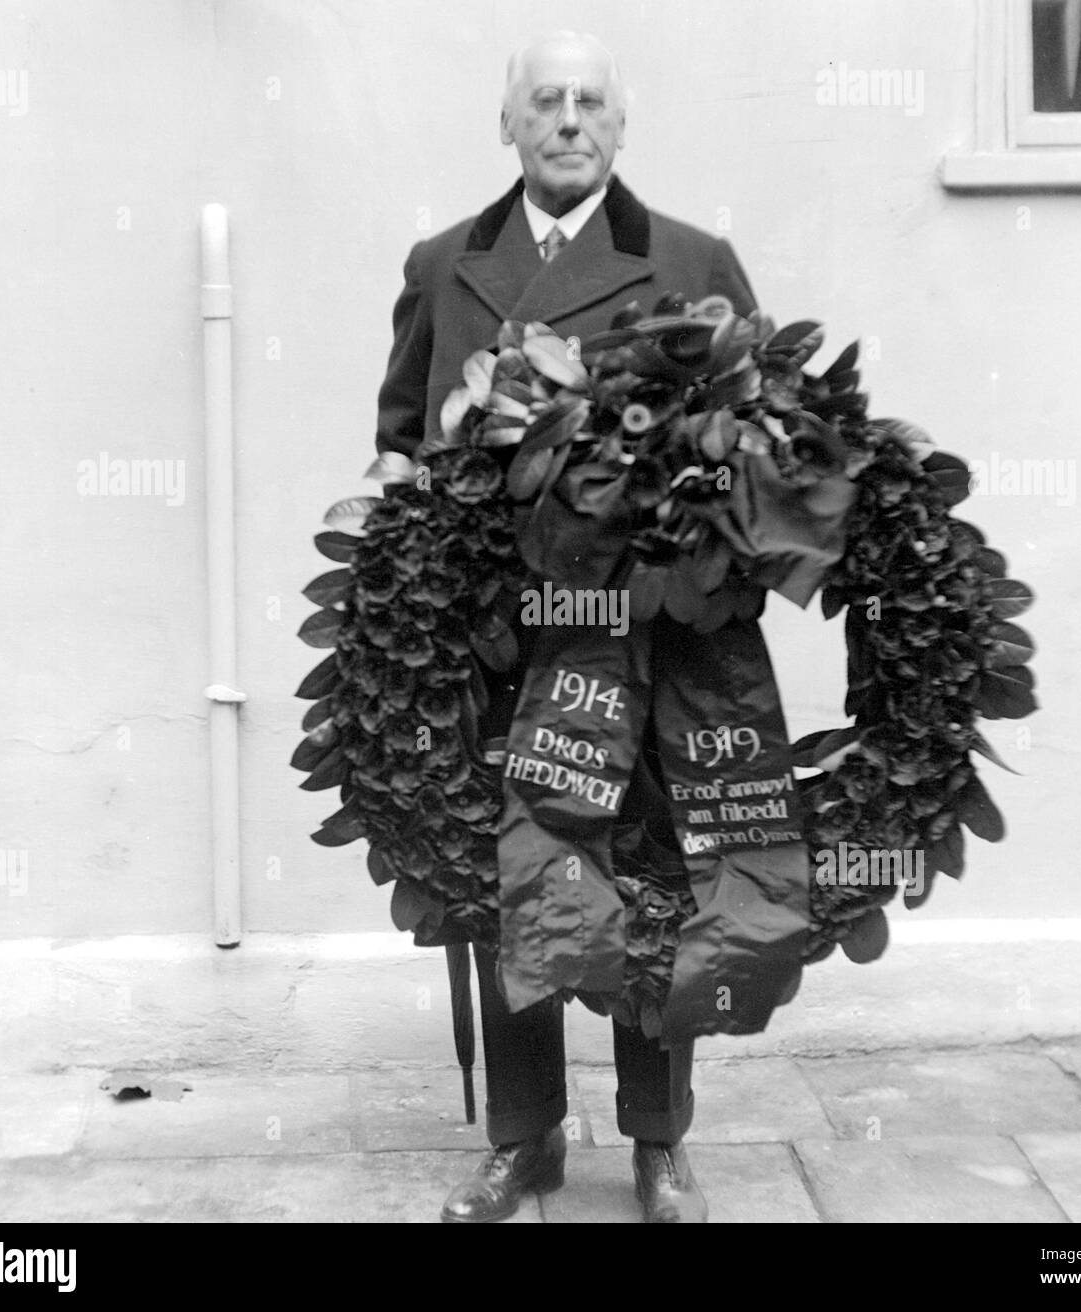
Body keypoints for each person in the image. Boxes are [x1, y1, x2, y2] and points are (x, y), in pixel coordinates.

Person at [374, 30, 758, 1224]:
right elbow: (396, 436)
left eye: (591, 101)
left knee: (651, 874)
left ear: (622, 125)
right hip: (500, 638)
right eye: (545, 101)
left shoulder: (692, 259)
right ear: (509, 124)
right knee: (508, 880)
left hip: (642, 642)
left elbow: (754, 451)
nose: (569, 121)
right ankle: (524, 1137)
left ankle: (655, 1141)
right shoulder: (445, 265)